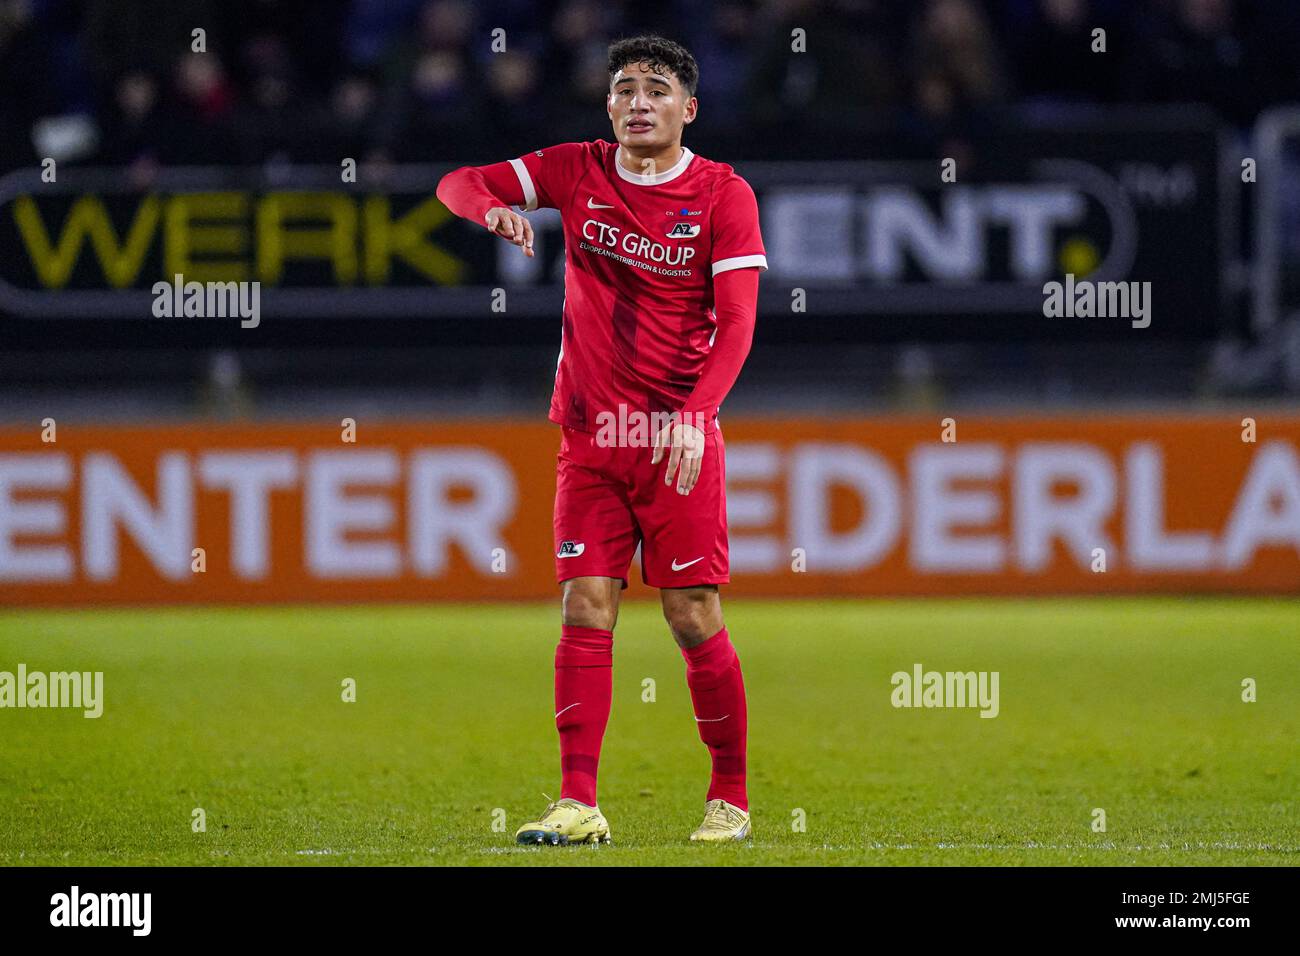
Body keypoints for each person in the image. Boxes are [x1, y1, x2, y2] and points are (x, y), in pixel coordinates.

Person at [436, 34, 766, 844]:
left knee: (691, 615)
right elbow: (458, 181)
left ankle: (730, 797)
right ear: (609, 105)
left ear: (688, 109)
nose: (637, 102)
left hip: (675, 441)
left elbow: (738, 324)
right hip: (588, 438)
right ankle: (578, 803)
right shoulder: (574, 169)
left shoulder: (723, 194)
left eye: (656, 89)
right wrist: (494, 209)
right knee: (585, 605)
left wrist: (697, 414)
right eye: (624, 88)